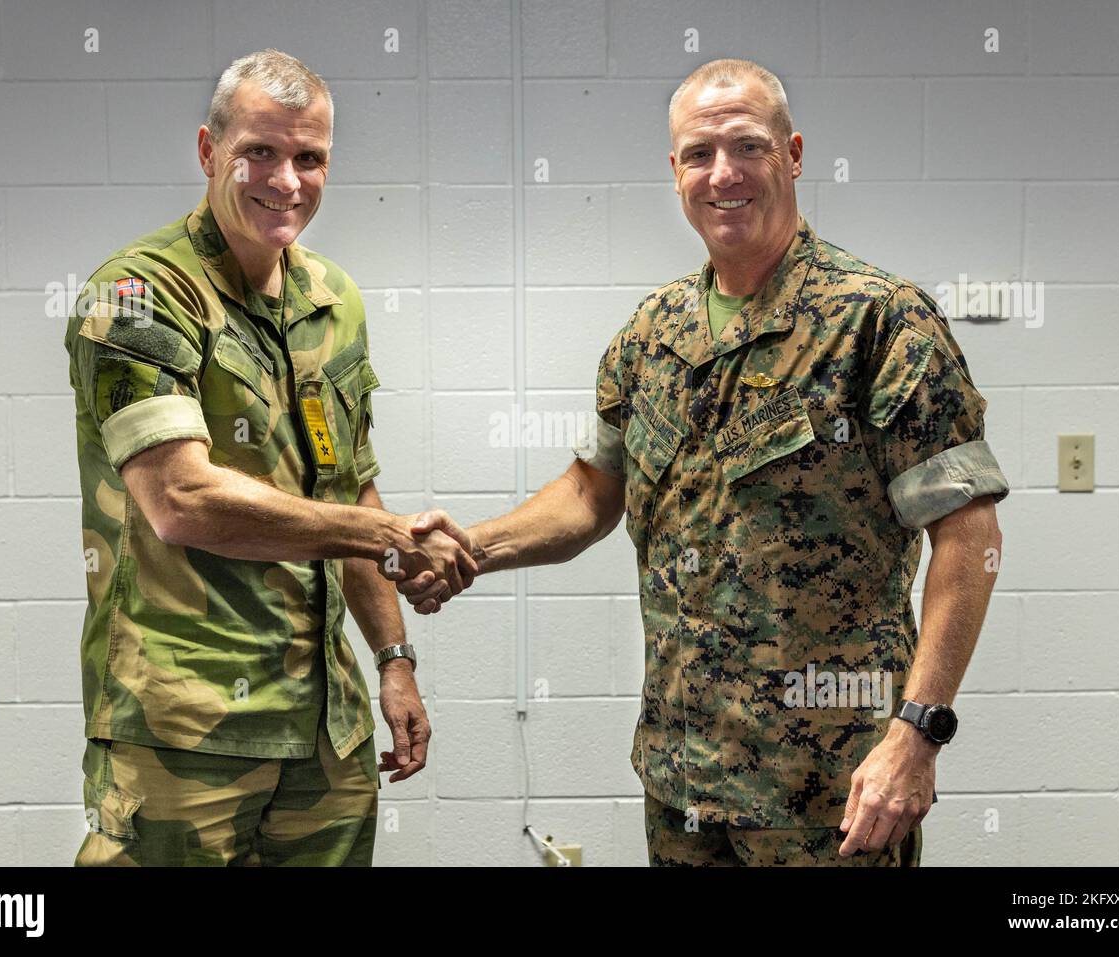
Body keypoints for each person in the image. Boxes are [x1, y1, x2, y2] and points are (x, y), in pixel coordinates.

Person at [396, 59, 1008, 866]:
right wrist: (470, 548)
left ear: (791, 154)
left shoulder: (879, 322)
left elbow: (969, 540)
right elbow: (589, 494)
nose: (724, 173)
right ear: (675, 173)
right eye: (698, 153)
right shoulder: (654, 333)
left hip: (834, 792)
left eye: (747, 147)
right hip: (682, 782)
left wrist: (917, 734)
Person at [65, 49, 475, 866]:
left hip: (326, 726)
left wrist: (394, 660)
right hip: (186, 728)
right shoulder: (136, 295)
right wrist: (389, 533)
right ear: (209, 151)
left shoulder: (334, 299)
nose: (285, 180)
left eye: (308, 157)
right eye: (259, 150)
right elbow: (182, 501)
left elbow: (350, 487)